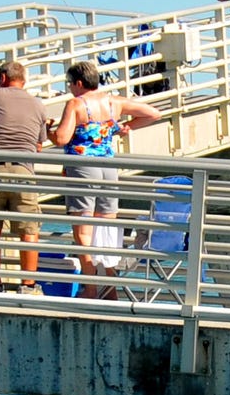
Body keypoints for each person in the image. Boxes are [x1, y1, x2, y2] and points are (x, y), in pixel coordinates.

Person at [56, 61, 163, 291]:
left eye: (69, 84)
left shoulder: (76, 104)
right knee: (106, 228)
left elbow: (62, 138)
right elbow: (154, 113)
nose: (69, 88)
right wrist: (129, 127)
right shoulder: (114, 102)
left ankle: (91, 288)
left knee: (83, 231)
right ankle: (110, 289)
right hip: (108, 167)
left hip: (83, 168)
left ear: (79, 83)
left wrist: (47, 131)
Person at [0, 60, 59, 282]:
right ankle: (29, 284)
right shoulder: (39, 105)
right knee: (29, 230)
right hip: (24, 171)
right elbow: (38, 146)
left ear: (2, 78)